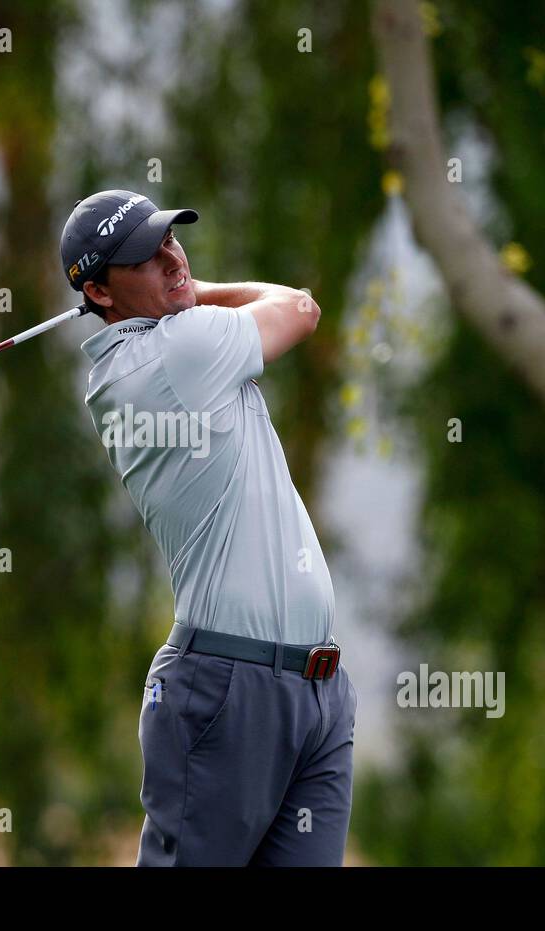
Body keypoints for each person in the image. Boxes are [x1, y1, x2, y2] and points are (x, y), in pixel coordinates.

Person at [61, 189, 357, 866]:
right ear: (100, 292)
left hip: (317, 690)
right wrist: (195, 293)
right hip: (229, 690)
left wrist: (176, 291)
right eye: (147, 257)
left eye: (171, 240)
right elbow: (300, 308)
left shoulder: (163, 347)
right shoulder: (177, 353)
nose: (173, 258)